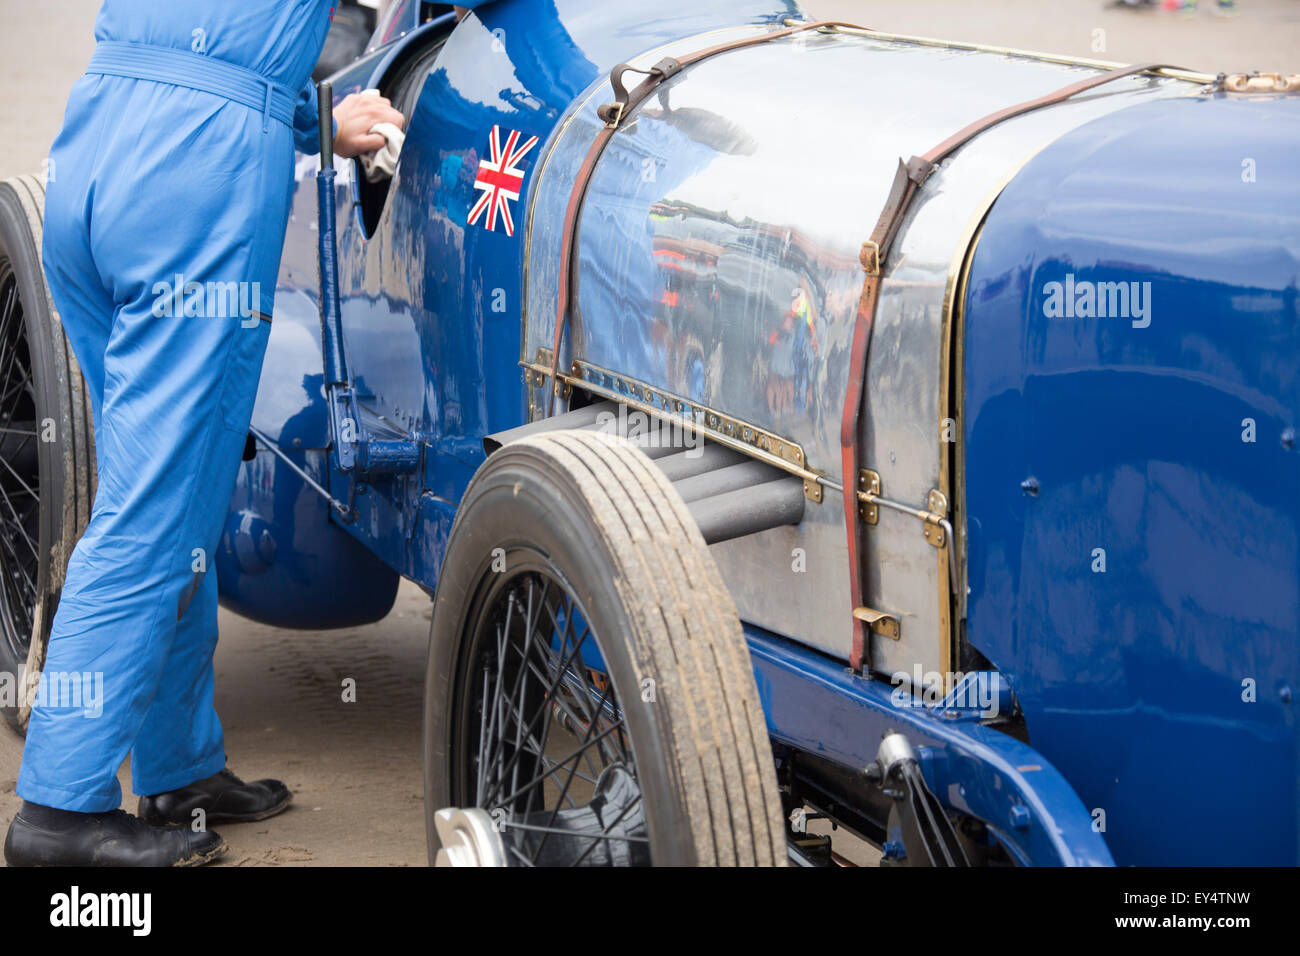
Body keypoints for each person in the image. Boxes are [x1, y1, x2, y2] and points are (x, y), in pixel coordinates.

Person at [4, 0, 405, 866]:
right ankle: (58, 813)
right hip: (194, 185)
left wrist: (312, 120)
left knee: (168, 491)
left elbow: (218, 35)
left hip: (98, 145)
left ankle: (179, 770)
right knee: (156, 509)